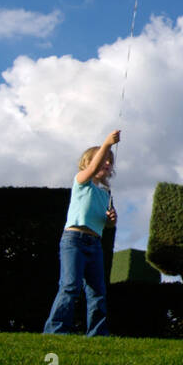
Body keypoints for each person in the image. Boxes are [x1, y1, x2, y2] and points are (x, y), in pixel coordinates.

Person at [43, 131, 119, 336]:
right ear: (88, 163)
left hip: (94, 243)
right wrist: (107, 144)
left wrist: (112, 221)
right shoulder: (81, 182)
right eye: (103, 160)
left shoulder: (105, 194)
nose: (106, 164)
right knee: (70, 286)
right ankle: (55, 331)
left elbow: (105, 225)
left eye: (110, 162)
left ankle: (98, 333)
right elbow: (94, 166)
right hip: (73, 241)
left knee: (97, 292)